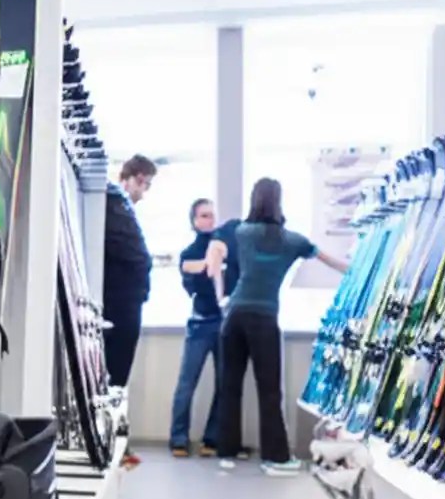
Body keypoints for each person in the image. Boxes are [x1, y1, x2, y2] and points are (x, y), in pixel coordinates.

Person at [210, 178, 348, 475]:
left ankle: (226, 452)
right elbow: (331, 261)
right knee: (270, 391)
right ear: (278, 202)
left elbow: (215, 253)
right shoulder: (292, 241)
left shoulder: (241, 232)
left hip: (235, 316)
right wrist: (359, 270)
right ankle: (276, 457)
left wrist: (220, 292)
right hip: (263, 319)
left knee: (230, 387)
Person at [168, 199, 236, 458]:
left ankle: (212, 439)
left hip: (225, 323)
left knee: (224, 384)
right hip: (199, 323)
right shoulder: (189, 253)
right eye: (204, 215)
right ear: (194, 221)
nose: (210, 220)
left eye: (212, 215)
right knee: (187, 384)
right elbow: (196, 273)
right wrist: (209, 262)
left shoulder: (228, 247)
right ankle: (178, 439)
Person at [103, 154, 156, 470]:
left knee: (116, 379)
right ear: (128, 177)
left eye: (147, 185)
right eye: (141, 183)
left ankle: (116, 442)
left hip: (124, 301)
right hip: (119, 303)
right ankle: (112, 443)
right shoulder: (112, 201)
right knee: (114, 377)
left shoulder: (117, 206)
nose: (143, 192)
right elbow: (135, 257)